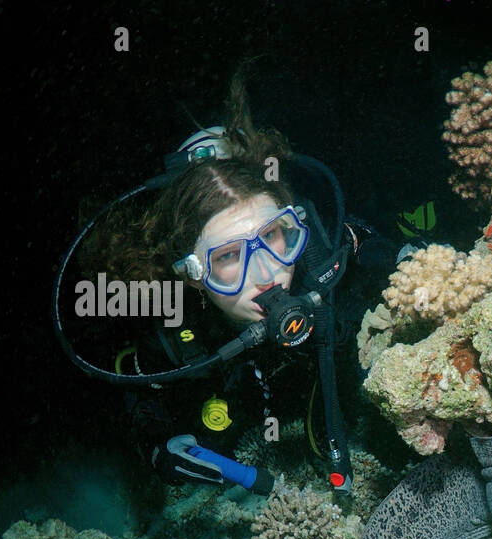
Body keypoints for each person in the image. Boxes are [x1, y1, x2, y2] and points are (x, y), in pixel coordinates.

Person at [60, 79, 401, 495]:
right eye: (227, 257)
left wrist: (406, 259)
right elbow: (138, 388)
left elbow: (361, 240)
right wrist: (157, 445)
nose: (265, 274)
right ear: (193, 273)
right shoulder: (173, 318)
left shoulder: (315, 261)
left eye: (275, 237)